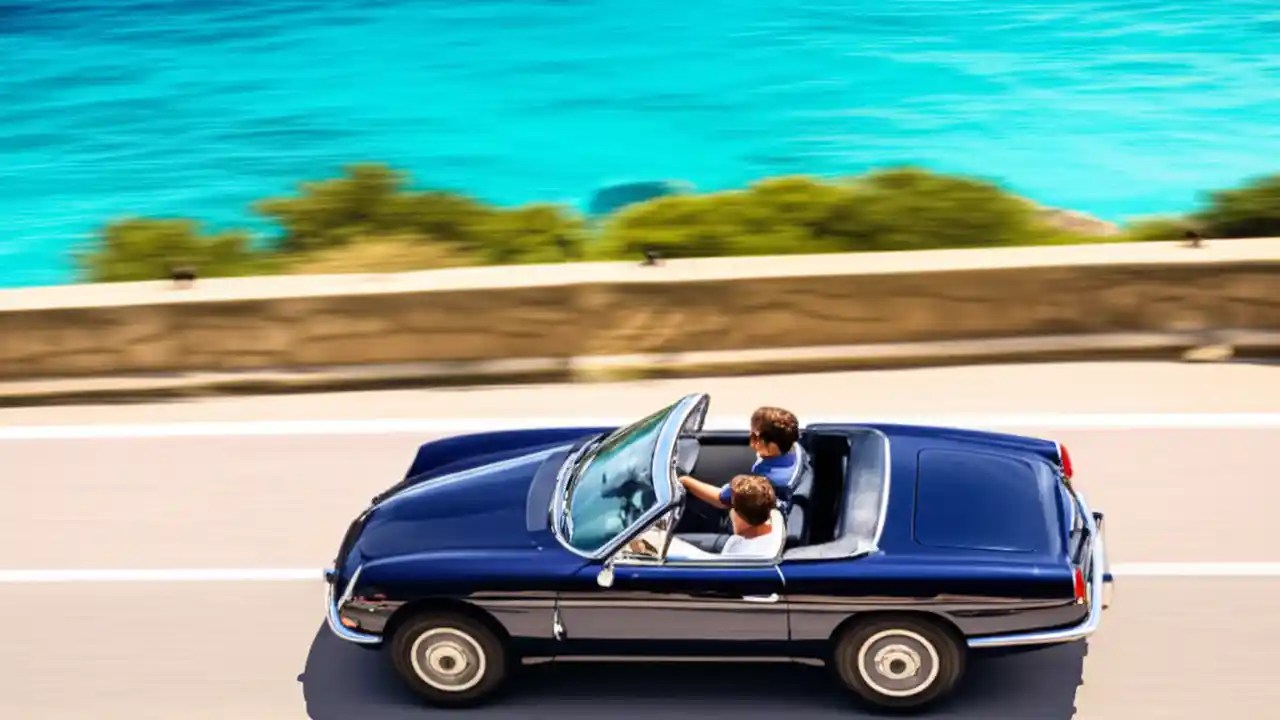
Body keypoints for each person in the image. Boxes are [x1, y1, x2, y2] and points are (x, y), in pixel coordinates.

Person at [679, 406, 800, 510]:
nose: (750, 441)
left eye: (754, 437)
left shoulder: (765, 481)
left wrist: (685, 481)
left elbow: (722, 499)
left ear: (772, 447)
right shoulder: (795, 451)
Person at [662, 474, 782, 560]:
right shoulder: (773, 515)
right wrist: (685, 481)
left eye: (731, 506)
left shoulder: (744, 557)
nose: (729, 511)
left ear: (741, 518)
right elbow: (720, 498)